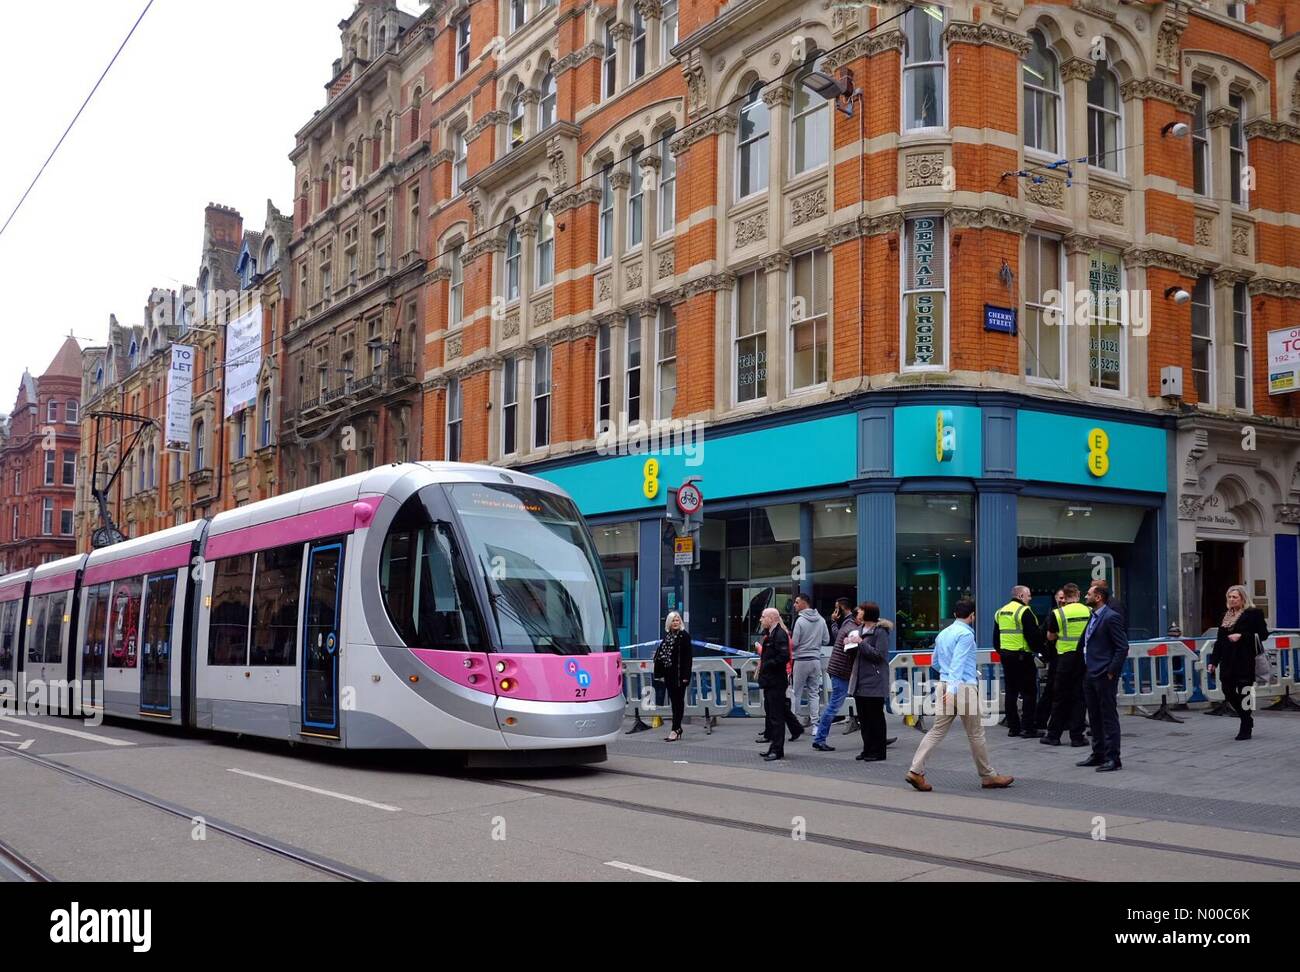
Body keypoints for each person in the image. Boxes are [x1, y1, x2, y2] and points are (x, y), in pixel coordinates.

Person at [906, 601, 1014, 792]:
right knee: (976, 733)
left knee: (937, 731)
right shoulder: (966, 634)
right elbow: (958, 662)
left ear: (955, 613)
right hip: (963, 687)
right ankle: (988, 776)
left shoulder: (943, 634)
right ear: (972, 615)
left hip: (944, 684)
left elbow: (935, 662)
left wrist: (947, 683)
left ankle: (916, 770)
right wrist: (954, 688)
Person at [1077, 582, 1129, 772]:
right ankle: (1098, 753)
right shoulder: (1093, 616)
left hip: (1103, 674)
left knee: (1108, 716)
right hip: (1090, 672)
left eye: (1089, 594)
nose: (1085, 597)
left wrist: (1111, 671)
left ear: (1098, 597)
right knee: (1094, 715)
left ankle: (1113, 757)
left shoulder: (1111, 617)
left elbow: (1122, 646)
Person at [1207, 584, 1269, 741]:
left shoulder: (1253, 613)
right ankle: (1246, 717)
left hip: (1245, 659)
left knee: (1246, 692)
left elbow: (1263, 635)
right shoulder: (1226, 615)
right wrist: (1213, 661)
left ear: (1243, 599)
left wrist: (1242, 636)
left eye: (1235, 597)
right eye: (1229, 597)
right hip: (1228, 660)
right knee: (1227, 690)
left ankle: (1245, 726)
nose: (1232, 599)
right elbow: (1219, 641)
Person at [1041, 583, 1090, 747]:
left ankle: (1053, 735)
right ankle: (1077, 737)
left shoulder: (1058, 613)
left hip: (1064, 659)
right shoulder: (1088, 611)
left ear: (1065, 596)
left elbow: (1050, 636)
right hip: (1083, 658)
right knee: (1079, 697)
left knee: (1060, 697)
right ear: (1077, 595)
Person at [993, 584, 1044, 738]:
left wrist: (1003, 652)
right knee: (1029, 693)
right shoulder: (1024, 612)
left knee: (1011, 692)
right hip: (1023, 658)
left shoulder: (1000, 612)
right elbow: (1033, 638)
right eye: (1028, 595)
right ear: (1021, 596)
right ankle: (1028, 728)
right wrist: (1042, 652)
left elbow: (996, 639)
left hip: (1007, 658)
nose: (1030, 598)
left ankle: (1013, 727)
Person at [813, 602, 861, 751]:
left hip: (837, 669)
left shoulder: (847, 624)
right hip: (842, 671)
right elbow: (853, 650)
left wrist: (834, 622)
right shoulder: (853, 629)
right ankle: (820, 739)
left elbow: (836, 635)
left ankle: (875, 735)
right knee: (834, 706)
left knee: (861, 704)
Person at [757, 606, 802, 760]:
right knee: (774, 714)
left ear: (771, 618)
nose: (761, 619)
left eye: (763, 617)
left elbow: (784, 657)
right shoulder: (771, 634)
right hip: (770, 680)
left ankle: (777, 749)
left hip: (776, 681)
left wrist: (768, 664)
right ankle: (774, 746)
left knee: (776, 717)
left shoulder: (779, 635)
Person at [847, 602, 891, 761]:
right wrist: (849, 645)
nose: (858, 612)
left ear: (868, 613)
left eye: (861, 610)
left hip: (874, 680)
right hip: (859, 679)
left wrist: (861, 643)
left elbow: (879, 655)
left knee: (875, 718)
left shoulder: (880, 632)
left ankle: (878, 751)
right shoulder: (859, 630)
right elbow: (856, 654)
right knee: (864, 718)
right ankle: (867, 749)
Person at [788, 592, 829, 729]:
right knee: (814, 692)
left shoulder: (799, 621)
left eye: (797, 602)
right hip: (815, 660)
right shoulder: (821, 620)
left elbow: (794, 643)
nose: (794, 605)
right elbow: (826, 640)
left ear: (804, 603)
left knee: (796, 692)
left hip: (800, 660)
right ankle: (815, 723)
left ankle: (794, 722)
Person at [654, 612, 693, 742]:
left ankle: (675, 729)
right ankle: (677, 728)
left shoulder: (684, 636)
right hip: (669, 676)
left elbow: (688, 658)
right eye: (673, 620)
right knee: (674, 703)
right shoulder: (667, 637)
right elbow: (662, 656)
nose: (676, 622)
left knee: (678, 702)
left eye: (677, 620)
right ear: (669, 623)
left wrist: (686, 676)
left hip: (680, 676)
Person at [1035, 588, 1066, 729]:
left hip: (1067, 657)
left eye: (1064, 597)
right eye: (1060, 597)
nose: (1062, 600)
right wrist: (1046, 655)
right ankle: (1042, 720)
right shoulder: (1053, 614)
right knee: (1052, 690)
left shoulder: (1058, 613)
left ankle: (1066, 720)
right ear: (1055, 598)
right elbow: (1042, 635)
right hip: (1056, 658)